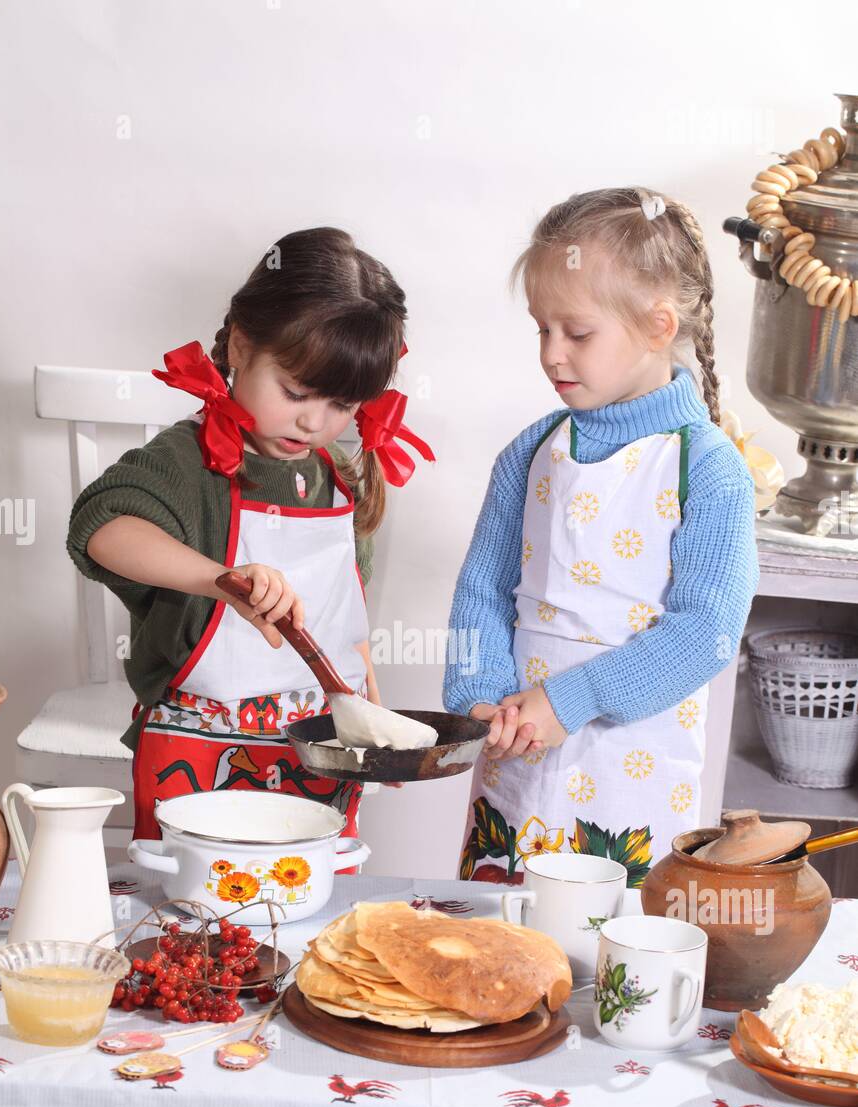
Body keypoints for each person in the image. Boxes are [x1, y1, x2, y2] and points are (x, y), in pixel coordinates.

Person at [67, 227, 433, 852]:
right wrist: (218, 580)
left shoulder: (336, 482)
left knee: (309, 911)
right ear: (240, 344)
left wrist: (373, 718)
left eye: (343, 405)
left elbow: (348, 629)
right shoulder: (190, 460)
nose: (314, 421)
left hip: (319, 751)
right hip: (197, 755)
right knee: (201, 921)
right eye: (295, 392)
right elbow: (102, 529)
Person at [443, 188, 759, 885]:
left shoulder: (707, 468)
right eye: (540, 330)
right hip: (515, 754)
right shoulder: (530, 453)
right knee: (500, 938)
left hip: (631, 764)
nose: (552, 354)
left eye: (576, 333)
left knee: (608, 946)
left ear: (657, 325)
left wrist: (568, 700)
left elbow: (705, 631)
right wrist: (478, 692)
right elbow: (482, 592)